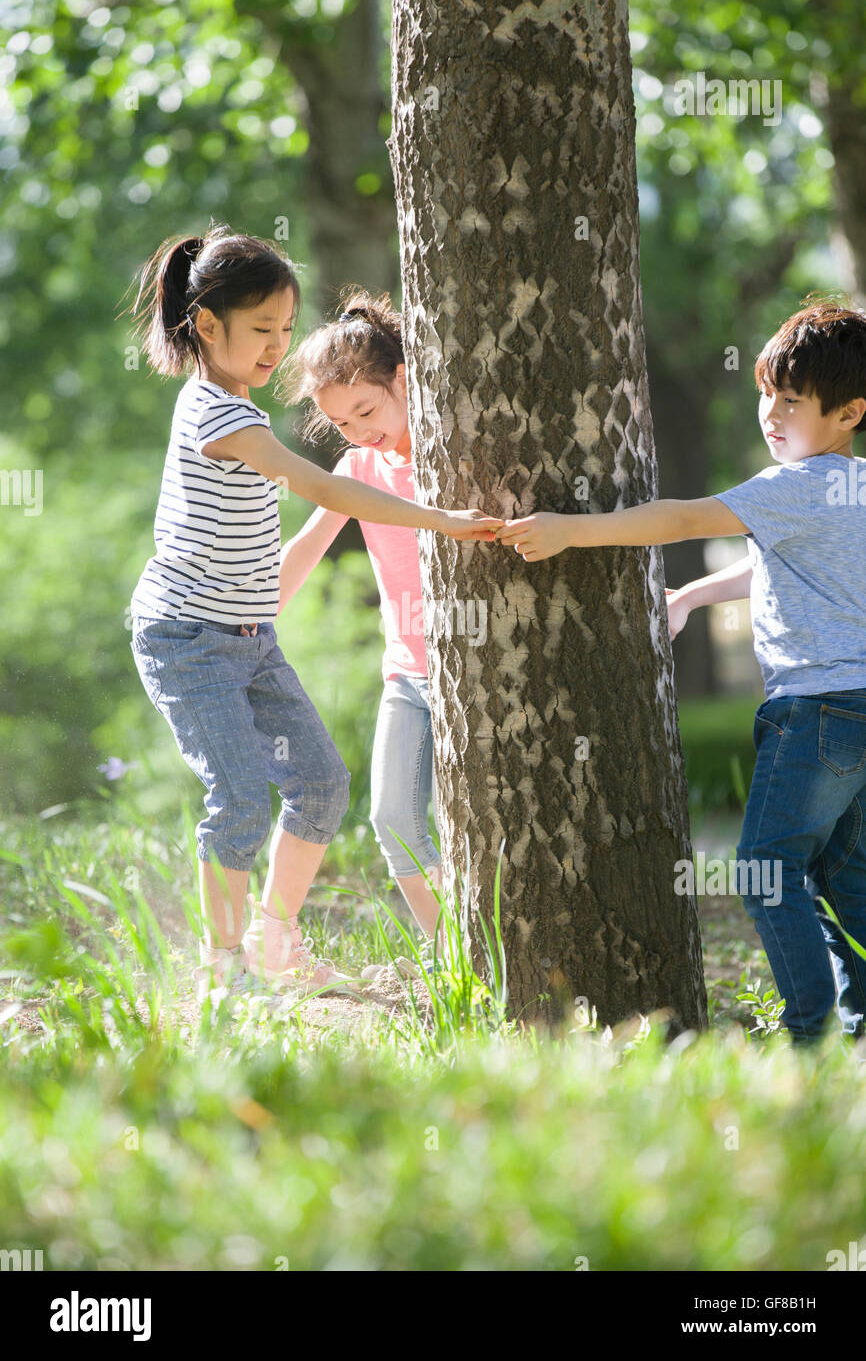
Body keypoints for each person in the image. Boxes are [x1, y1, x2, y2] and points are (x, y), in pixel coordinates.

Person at [125, 224, 503, 1003]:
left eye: (285, 329)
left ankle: (274, 940)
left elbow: (281, 554)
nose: (276, 346)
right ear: (206, 325)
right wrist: (445, 521)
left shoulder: (237, 408)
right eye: (261, 329)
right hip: (187, 638)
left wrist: (270, 613)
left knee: (323, 785)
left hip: (248, 637)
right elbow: (324, 493)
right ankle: (225, 972)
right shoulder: (219, 416)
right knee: (236, 799)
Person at [495, 297, 866, 1046]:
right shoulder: (851, 489)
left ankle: (808, 1038)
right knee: (843, 881)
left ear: (850, 411)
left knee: (765, 871)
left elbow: (681, 518)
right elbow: (792, 568)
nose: (771, 413)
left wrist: (574, 531)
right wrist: (694, 595)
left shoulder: (792, 487)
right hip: (856, 710)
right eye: (766, 392)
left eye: (792, 402)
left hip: (817, 712)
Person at [276, 290, 448, 975]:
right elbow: (308, 546)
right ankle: (460, 954)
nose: (357, 431)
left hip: (483, 671)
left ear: (403, 379)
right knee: (392, 821)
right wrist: (244, 610)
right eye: (340, 423)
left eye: (366, 411)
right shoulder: (357, 469)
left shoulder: (453, 451)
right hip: (409, 674)